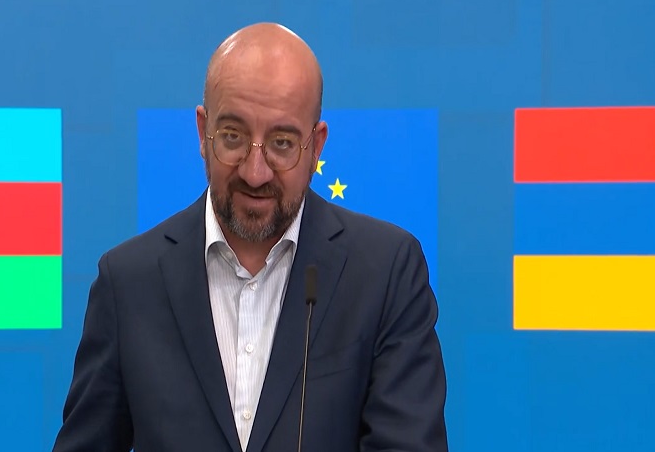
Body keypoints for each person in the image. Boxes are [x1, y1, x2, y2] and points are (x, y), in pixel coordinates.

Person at [52, 22, 448, 452]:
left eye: (282, 143)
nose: (255, 173)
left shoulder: (385, 273)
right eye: (233, 137)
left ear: (316, 146)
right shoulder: (128, 282)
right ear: (202, 132)